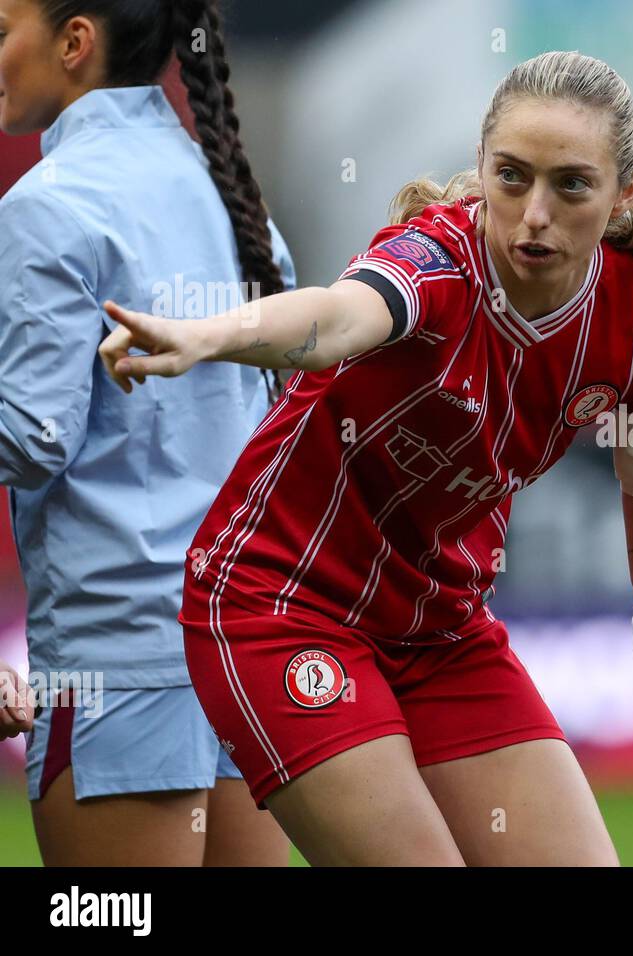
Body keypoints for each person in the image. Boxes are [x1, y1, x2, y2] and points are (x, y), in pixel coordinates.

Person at [96, 50, 633, 866]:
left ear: (624, 193)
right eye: (512, 176)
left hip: (441, 629)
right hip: (282, 605)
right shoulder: (435, 260)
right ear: (482, 168)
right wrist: (205, 336)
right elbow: (335, 318)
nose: (533, 213)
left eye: (570, 185)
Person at [0, 0, 294, 864]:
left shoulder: (45, 206)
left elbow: (32, 436)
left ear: (75, 42)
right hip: (246, 657)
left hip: (118, 669)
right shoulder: (229, 191)